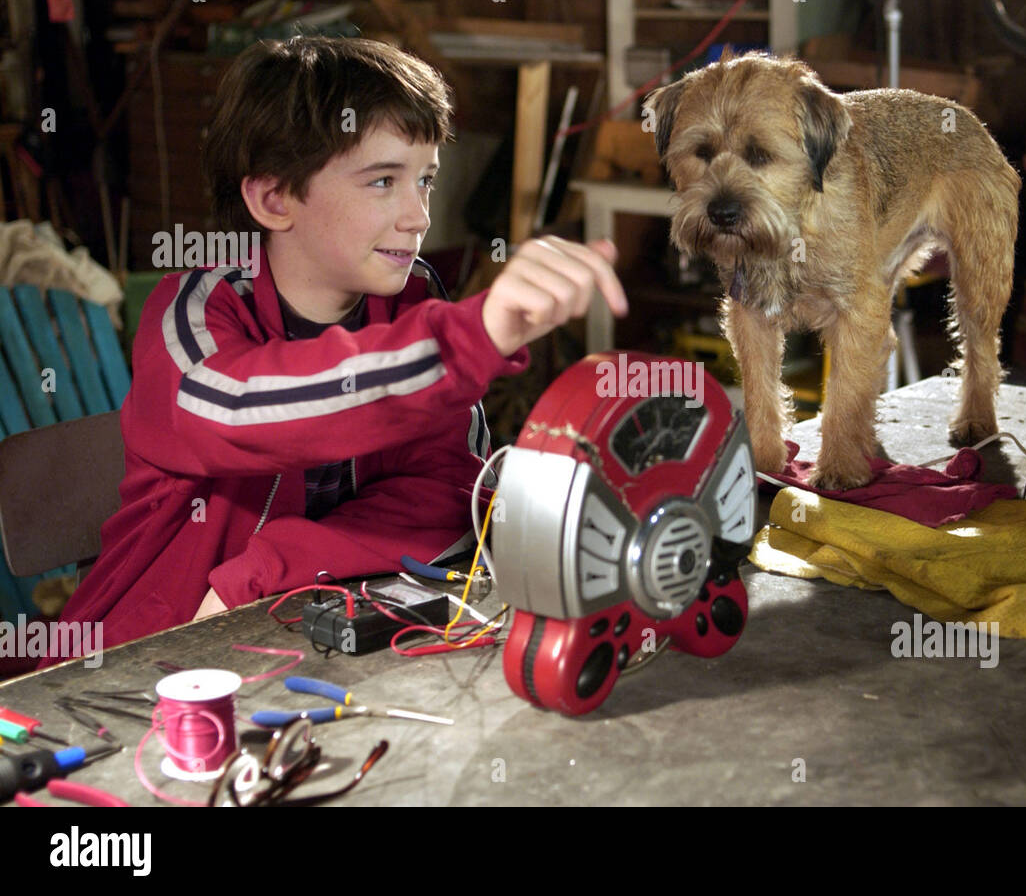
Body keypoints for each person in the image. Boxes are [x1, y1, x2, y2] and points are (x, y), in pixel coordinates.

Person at [44, 36, 626, 661]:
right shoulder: (192, 312)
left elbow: (448, 489)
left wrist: (271, 567)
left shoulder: (411, 296)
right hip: (140, 654)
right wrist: (473, 336)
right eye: (382, 181)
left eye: (424, 179)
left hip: (302, 625)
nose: (419, 215)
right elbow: (252, 409)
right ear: (274, 200)